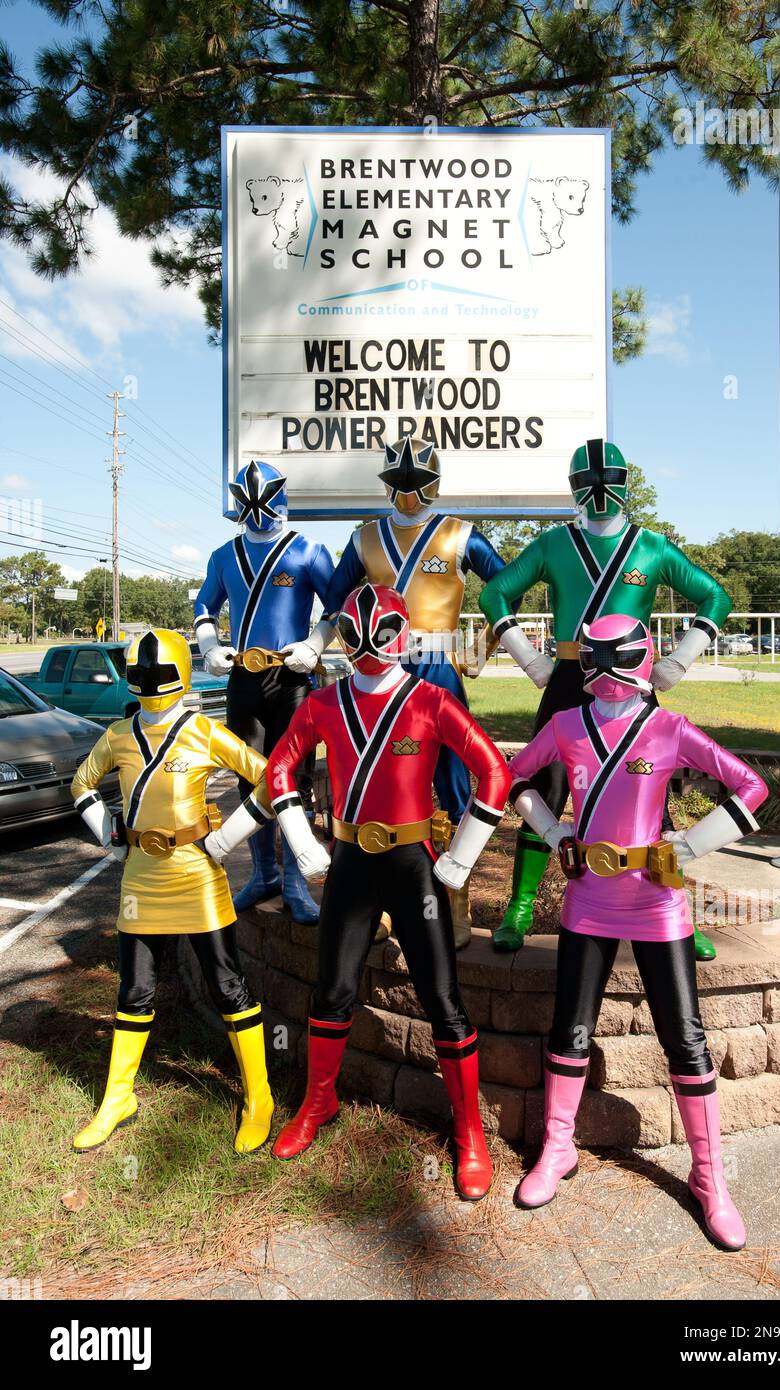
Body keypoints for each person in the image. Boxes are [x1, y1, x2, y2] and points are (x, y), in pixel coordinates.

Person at [508, 614, 767, 1250]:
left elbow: (751, 786)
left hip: (658, 903)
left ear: (642, 658)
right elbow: (512, 777)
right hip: (588, 899)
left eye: (619, 659)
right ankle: (557, 1149)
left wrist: (691, 846)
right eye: (594, 660)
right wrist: (554, 833)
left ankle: (709, 1177)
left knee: (685, 1038)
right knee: (570, 1028)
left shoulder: (669, 728)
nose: (608, 674)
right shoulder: (566, 724)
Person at [265, 583, 510, 1200]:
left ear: (404, 632)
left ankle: (469, 1130)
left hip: (412, 863)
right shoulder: (323, 703)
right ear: (344, 634)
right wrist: (301, 839)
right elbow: (278, 767)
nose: (371, 646)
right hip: (351, 861)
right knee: (333, 988)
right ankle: (319, 1104)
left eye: (381, 632)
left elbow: (494, 772)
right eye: (357, 633)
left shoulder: (430, 700)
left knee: (442, 997)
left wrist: (460, 858)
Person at [479, 437, 732, 961]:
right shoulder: (554, 544)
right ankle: (520, 905)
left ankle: (669, 901)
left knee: (650, 791)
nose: (598, 493)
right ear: (574, 488)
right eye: (588, 484)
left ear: (624, 484)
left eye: (607, 482)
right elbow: (493, 592)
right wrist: (531, 658)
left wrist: (680, 658)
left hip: (634, 679)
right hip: (571, 672)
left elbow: (716, 596)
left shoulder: (652, 547)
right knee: (543, 787)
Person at [70, 629, 278, 1155]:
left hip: (198, 875)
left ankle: (260, 1096)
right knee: (134, 991)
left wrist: (228, 836)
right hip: (140, 875)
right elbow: (81, 783)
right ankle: (118, 1097)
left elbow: (271, 779)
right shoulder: (118, 734)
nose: (148, 686)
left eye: (158, 675)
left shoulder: (204, 731)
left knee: (228, 987)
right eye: (138, 676)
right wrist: (110, 834)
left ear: (183, 674)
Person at [321, 436, 510, 947]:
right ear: (386, 484)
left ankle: (455, 894)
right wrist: (319, 645)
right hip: (378, 666)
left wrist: (487, 644)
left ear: (436, 482)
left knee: (452, 775)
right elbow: (336, 603)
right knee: (377, 774)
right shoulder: (363, 539)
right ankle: (375, 897)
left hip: (438, 665)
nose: (408, 494)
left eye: (417, 483)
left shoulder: (460, 534)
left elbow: (504, 587)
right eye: (399, 483)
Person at [193, 459, 334, 921]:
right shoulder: (223, 556)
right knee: (248, 778)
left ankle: (296, 882)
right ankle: (263, 872)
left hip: (292, 677)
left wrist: (315, 644)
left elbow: (337, 607)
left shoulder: (308, 549)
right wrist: (211, 645)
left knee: (294, 779)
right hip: (243, 679)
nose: (259, 515)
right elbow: (204, 607)